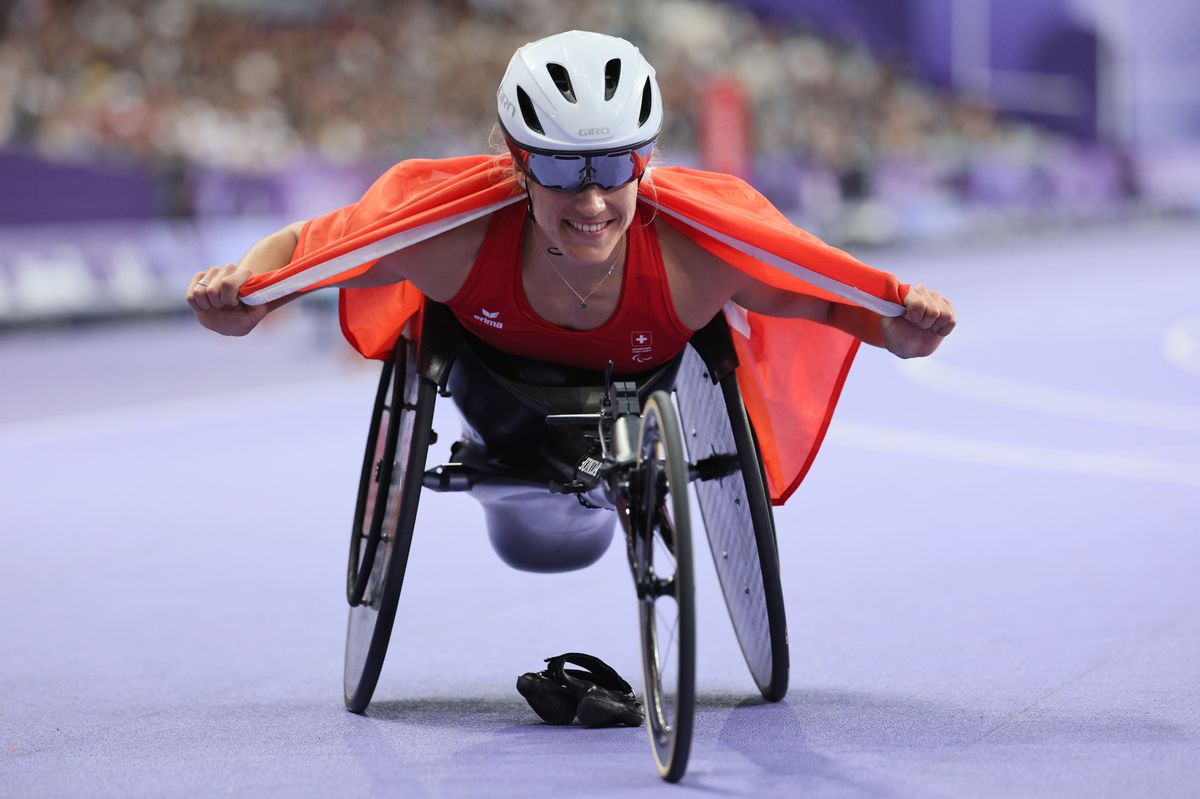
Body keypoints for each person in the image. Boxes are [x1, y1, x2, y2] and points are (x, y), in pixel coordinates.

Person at [186, 30, 955, 573]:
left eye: (614, 166)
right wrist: (249, 293)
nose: (591, 200)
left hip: (635, 400)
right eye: (560, 171)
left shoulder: (698, 256)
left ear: (645, 159)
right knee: (532, 520)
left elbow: (820, 300)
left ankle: (629, 491)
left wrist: (896, 333)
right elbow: (308, 245)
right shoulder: (452, 237)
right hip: (498, 402)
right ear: (517, 162)